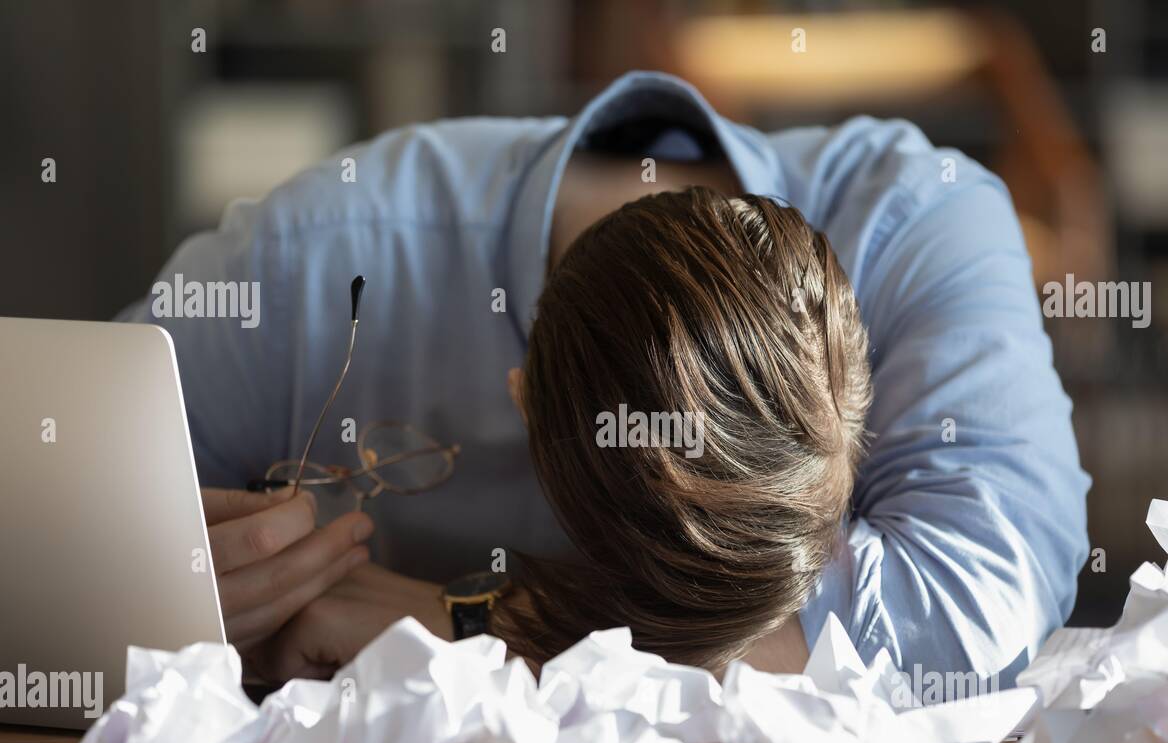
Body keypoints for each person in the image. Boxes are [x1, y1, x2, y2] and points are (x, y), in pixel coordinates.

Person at [119, 71, 1090, 689]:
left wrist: (490, 630)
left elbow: (974, 606)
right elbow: (40, 482)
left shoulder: (916, 226)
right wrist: (145, 585)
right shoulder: (312, 263)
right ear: (526, 395)